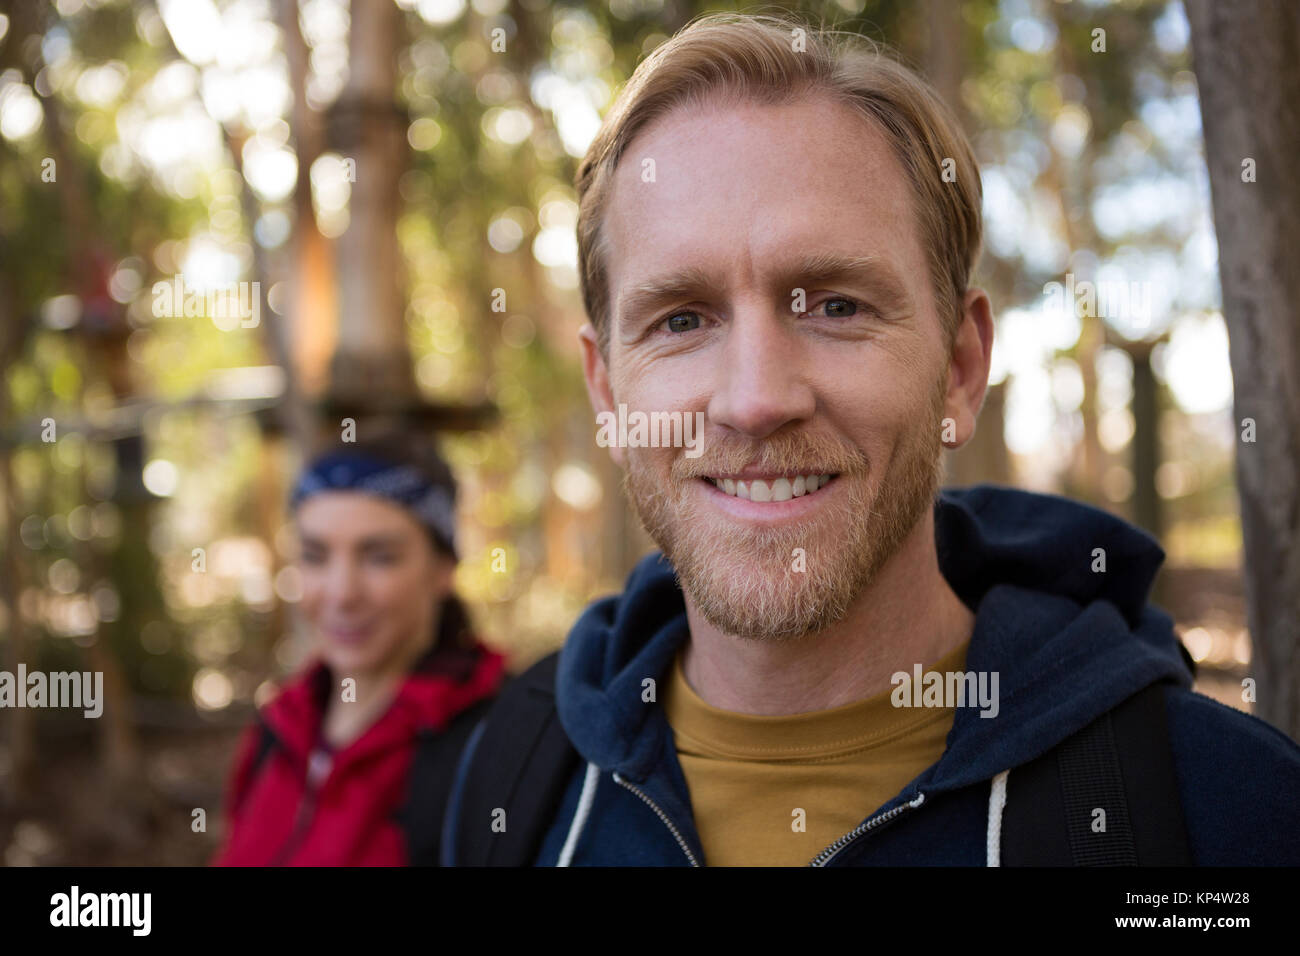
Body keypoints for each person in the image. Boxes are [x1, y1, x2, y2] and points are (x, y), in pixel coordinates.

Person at [440, 12, 1300, 866]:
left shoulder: (1227, 816)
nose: (755, 400)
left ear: (960, 370)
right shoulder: (515, 781)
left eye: (837, 306)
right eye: (682, 319)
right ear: (607, 392)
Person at [213, 435, 504, 866]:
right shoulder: (277, 728)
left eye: (380, 557)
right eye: (315, 556)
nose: (342, 593)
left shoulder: (496, 744)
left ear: (443, 569)